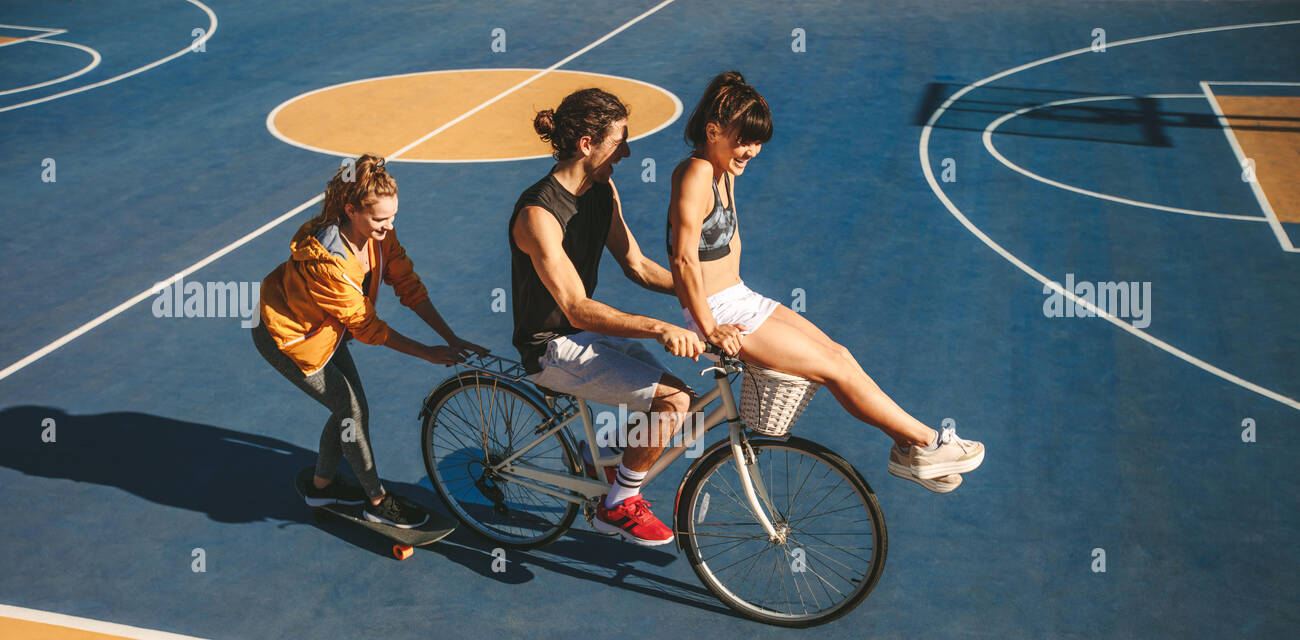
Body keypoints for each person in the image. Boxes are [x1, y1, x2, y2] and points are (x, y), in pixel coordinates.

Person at [667, 72, 984, 492]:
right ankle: (927, 441)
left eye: (758, 142)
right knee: (833, 369)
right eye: (746, 140)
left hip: (739, 298)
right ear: (713, 131)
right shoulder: (695, 172)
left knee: (840, 354)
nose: (753, 152)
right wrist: (708, 328)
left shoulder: (722, 170)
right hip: (719, 312)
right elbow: (683, 257)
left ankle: (909, 451)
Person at [509, 88, 703, 546]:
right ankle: (615, 506)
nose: (629, 151)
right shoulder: (539, 213)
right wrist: (660, 327)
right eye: (620, 141)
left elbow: (636, 264)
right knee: (673, 403)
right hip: (552, 348)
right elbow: (576, 307)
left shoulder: (602, 189)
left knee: (685, 402)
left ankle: (605, 458)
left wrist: (703, 292)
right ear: (586, 144)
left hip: (583, 337)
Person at [254, 154, 487, 527]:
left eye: (393, 216)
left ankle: (321, 486)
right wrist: (428, 353)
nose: (388, 226)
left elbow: (407, 285)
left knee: (350, 409)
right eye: (380, 219)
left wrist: (450, 336)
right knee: (352, 411)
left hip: (326, 329)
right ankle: (377, 502)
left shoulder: (381, 237)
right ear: (351, 210)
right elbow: (368, 328)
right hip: (288, 335)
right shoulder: (327, 261)